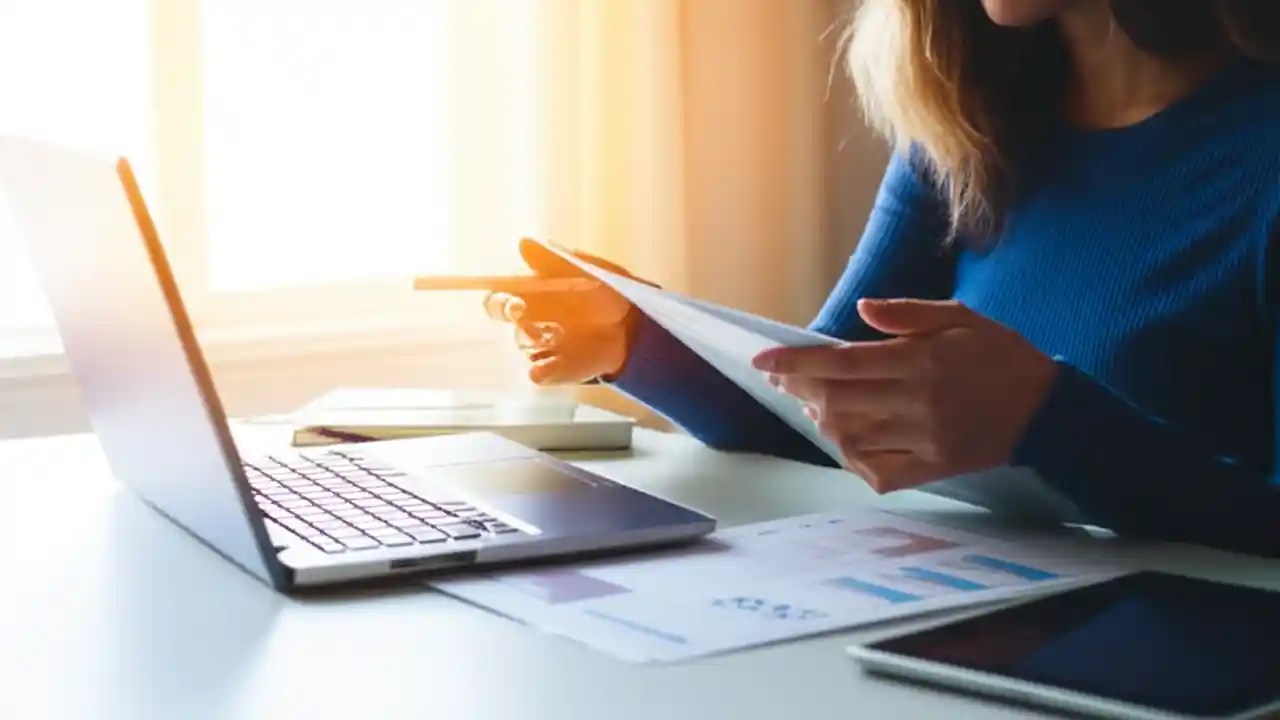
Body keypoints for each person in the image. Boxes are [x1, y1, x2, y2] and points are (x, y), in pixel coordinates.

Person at [484, 0, 1280, 556]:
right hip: (992, 626)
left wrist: (1045, 417)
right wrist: (634, 332)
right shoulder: (967, 134)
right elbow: (816, 423)